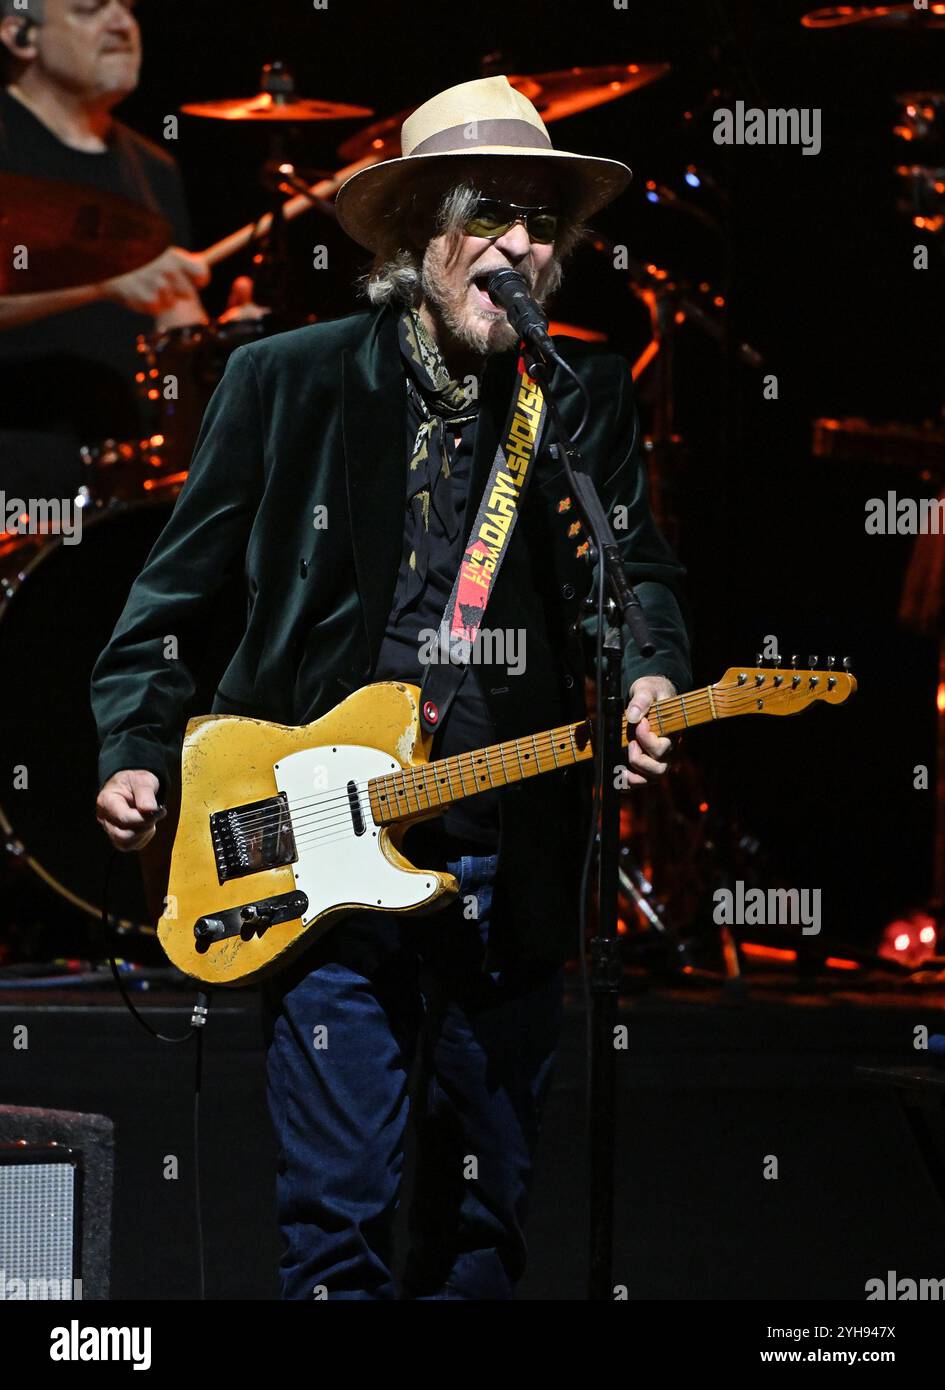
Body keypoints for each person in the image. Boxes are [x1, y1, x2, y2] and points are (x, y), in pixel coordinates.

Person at [91, 75, 691, 1300]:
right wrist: (136, 746)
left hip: (502, 853)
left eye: (544, 225)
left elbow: (633, 572)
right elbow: (171, 603)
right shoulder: (289, 381)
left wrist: (652, 675)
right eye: (493, 215)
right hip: (320, 863)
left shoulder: (578, 400)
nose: (524, 246)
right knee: (338, 1225)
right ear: (421, 227)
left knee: (482, 1231)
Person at [0, 0, 255, 499]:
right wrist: (102, 287)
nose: (123, 25)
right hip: (15, 478)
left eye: (130, 9)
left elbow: (170, 318)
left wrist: (218, 340)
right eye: (91, 9)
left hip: (124, 482)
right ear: (20, 35)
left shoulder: (153, 166)